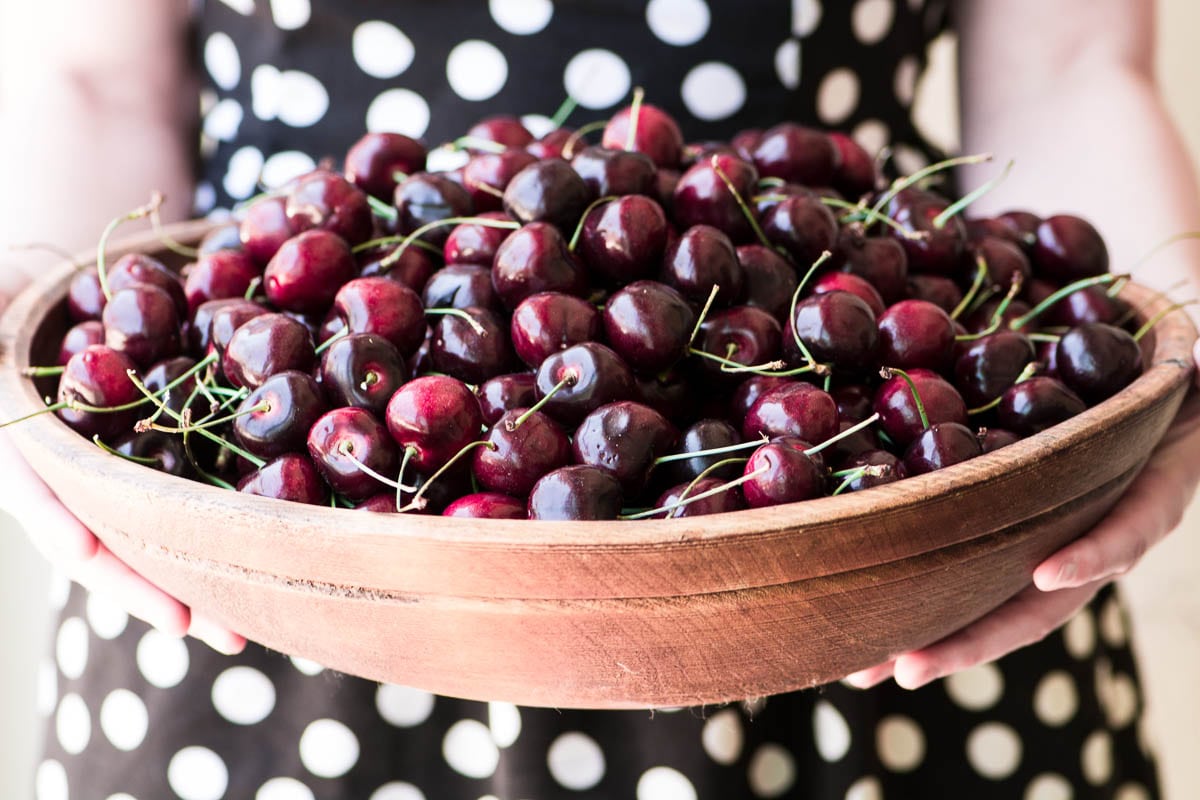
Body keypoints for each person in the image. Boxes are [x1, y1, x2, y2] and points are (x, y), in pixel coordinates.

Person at [2, 0, 1198, 797]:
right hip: (250, 559)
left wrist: (1167, 342)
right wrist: (29, 317)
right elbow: (94, 82)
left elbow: (1071, 66)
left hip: (896, 538)